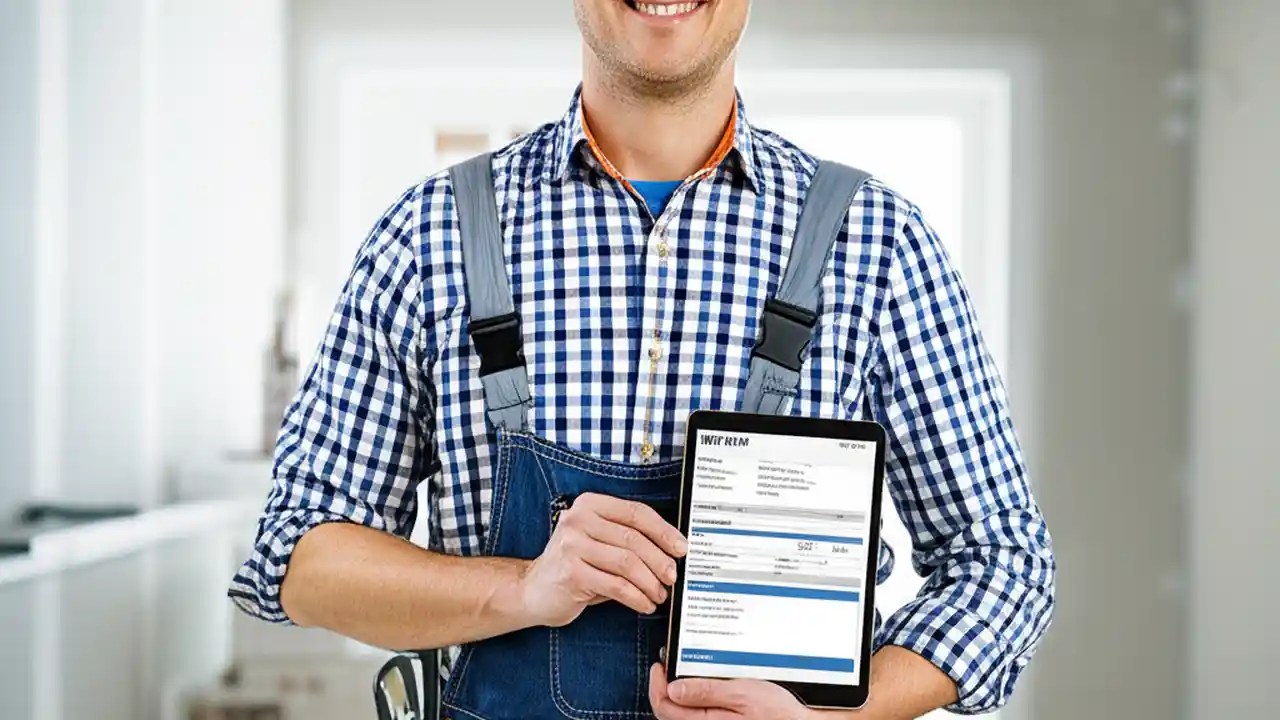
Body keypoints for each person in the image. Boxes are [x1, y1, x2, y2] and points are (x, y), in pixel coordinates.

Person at [229, 0, 1056, 717]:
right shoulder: (432, 236)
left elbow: (1004, 566)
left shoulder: (878, 247)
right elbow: (302, 556)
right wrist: (520, 587)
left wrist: (841, 719)